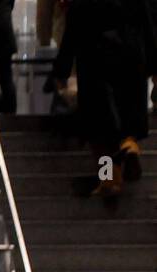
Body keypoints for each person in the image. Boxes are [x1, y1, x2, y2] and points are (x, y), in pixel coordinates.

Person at [51, 0, 149, 196]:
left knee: (100, 134)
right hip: (130, 59)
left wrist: (61, 70)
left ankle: (109, 180)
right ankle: (129, 146)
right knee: (125, 119)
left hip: (96, 61)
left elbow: (73, 30)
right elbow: (146, 22)